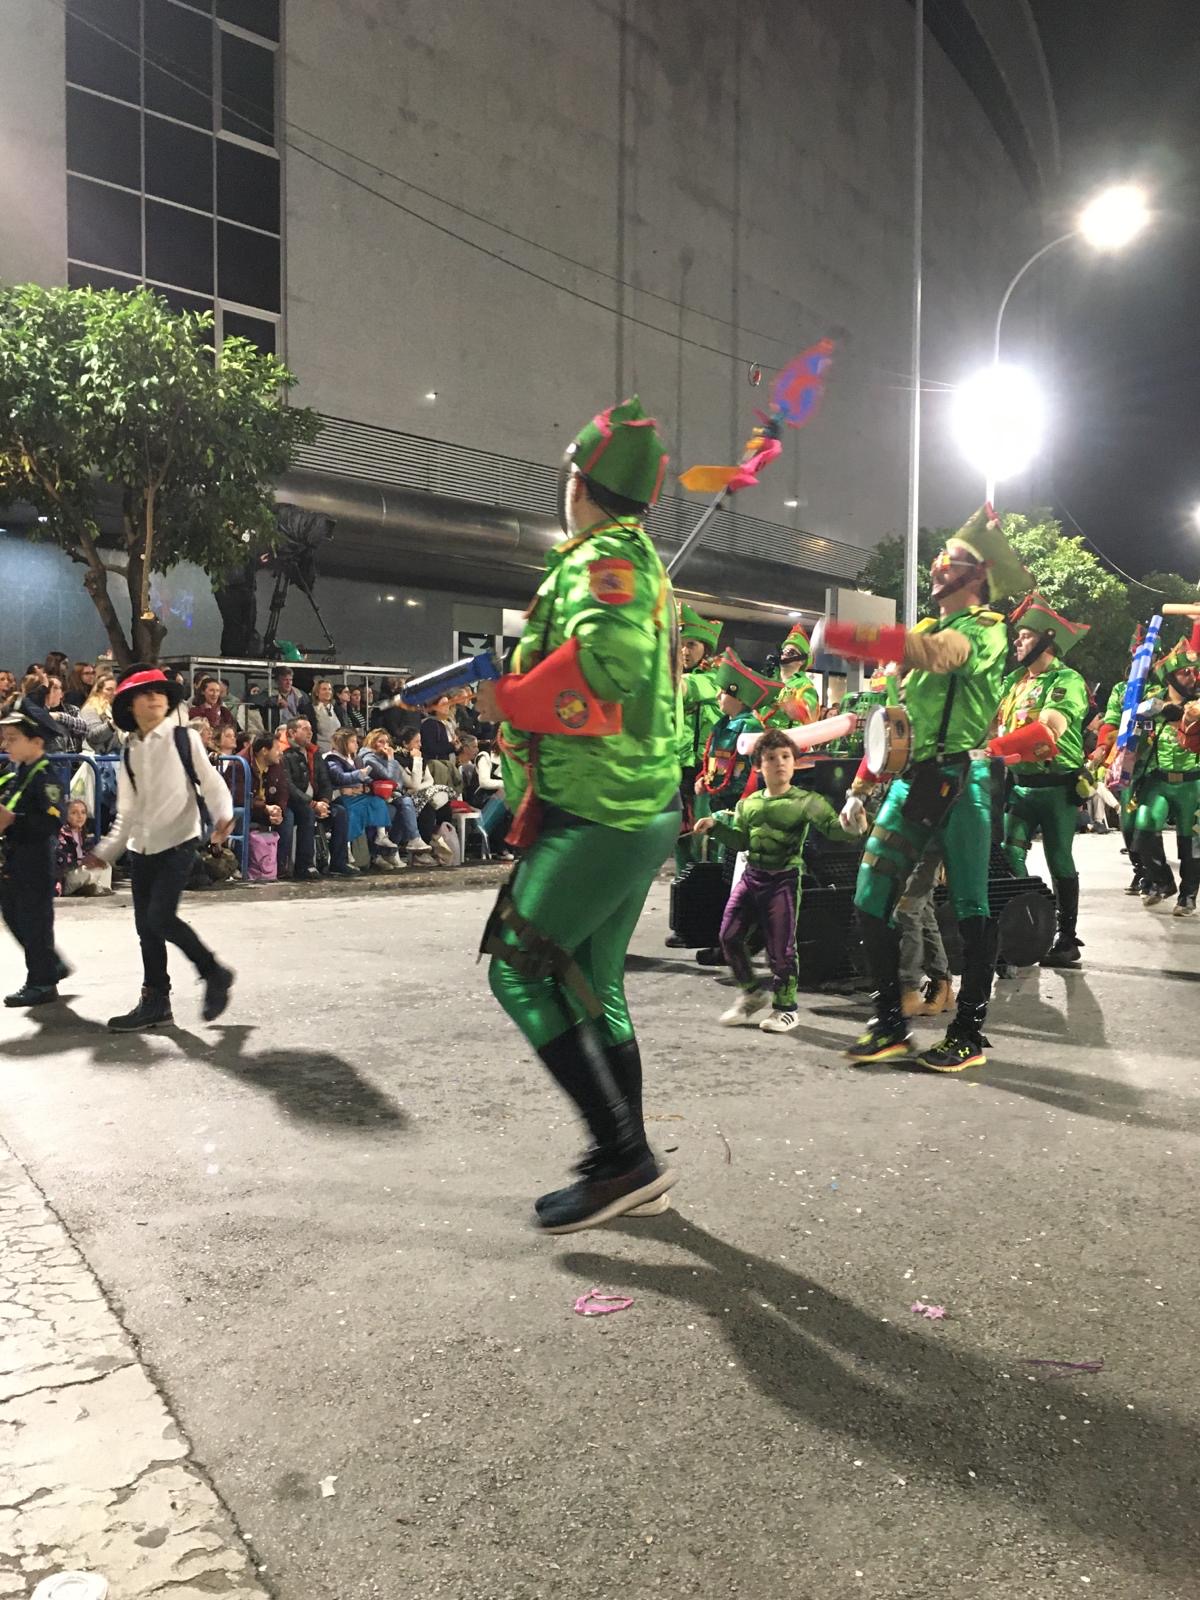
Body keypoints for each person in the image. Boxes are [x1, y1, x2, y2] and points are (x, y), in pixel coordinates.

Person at [474, 395, 680, 1233]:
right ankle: (625, 1161)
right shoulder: (622, 558)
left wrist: (510, 697)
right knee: (594, 989)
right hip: (627, 806)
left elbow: (612, 666)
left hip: (602, 811)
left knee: (517, 968)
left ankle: (622, 1157)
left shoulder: (608, 564)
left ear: (580, 480)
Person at [831, 506, 1030, 1073]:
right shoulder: (924, 630)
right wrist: (861, 785)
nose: (940, 565)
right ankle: (890, 1023)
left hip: (961, 779)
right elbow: (895, 717)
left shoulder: (985, 630)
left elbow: (944, 658)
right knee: (870, 894)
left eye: (955, 560)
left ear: (978, 579)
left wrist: (861, 635)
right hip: (912, 780)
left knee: (971, 905)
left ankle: (967, 1033)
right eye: (943, 557)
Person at [87, 665, 236, 1031]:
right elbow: (127, 811)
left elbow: (211, 782)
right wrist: (105, 852)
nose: (154, 697)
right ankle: (156, 1002)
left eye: (160, 692)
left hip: (179, 842)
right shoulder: (129, 752)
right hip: (142, 848)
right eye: (144, 692)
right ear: (129, 705)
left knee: (160, 917)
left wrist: (223, 817)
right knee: (146, 928)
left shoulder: (185, 738)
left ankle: (213, 971)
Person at [694, 728, 857, 1034]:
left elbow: (836, 831)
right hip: (752, 876)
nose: (780, 763)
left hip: (783, 879)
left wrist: (854, 824)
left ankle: (786, 1009)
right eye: (771, 758)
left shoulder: (808, 801)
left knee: (781, 949)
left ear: (795, 762)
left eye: (785, 756)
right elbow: (741, 841)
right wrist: (715, 827)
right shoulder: (749, 804)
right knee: (728, 936)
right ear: (759, 765)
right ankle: (753, 993)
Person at [997, 594, 1093, 966]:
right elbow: (990, 721)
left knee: (1059, 860)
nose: (1016, 642)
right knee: (1009, 855)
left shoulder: (1066, 680)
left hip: (1057, 787)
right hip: (1019, 786)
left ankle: (1066, 938)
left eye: (1023, 635)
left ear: (1045, 639)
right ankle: (1032, 922)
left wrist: (994, 747)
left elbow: (1049, 727)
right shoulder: (1014, 681)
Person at [0, 699, 71, 1005]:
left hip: (35, 858)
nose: (6, 744)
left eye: (13, 739)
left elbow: (53, 820)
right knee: (14, 914)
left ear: (37, 741)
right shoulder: (13, 772)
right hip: (13, 859)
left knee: (34, 920)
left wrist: (14, 819)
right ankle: (51, 964)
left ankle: (42, 982)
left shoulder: (46, 776)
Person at [1126, 625, 1200, 914]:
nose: (1193, 678)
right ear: (1170, 676)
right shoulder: (1153, 701)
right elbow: (1138, 727)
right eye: (1185, 673)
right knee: (1142, 828)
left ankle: (1188, 895)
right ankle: (1161, 881)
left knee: (1192, 843)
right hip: (1157, 779)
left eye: (1195, 673)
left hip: (1193, 782)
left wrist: (1181, 714)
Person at [281, 716, 352, 878]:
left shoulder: (315, 752)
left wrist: (324, 802)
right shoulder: (284, 754)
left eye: (311, 729)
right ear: (292, 732)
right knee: (307, 813)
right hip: (295, 803)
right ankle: (305, 865)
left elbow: (325, 781)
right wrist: (313, 804)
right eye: (305, 729)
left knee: (340, 811)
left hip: (317, 802)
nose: (310, 732)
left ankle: (338, 863)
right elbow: (288, 787)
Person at [325, 726, 404, 872]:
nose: (356, 745)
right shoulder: (332, 759)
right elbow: (339, 777)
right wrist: (358, 776)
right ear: (343, 744)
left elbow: (365, 777)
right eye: (353, 742)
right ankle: (346, 849)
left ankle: (381, 835)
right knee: (352, 812)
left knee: (377, 801)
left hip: (357, 795)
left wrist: (369, 785)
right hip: (341, 797)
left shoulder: (354, 759)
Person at [360, 728, 442, 862]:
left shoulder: (389, 760)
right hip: (376, 797)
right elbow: (391, 777)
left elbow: (400, 783)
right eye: (381, 741)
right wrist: (397, 760)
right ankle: (400, 846)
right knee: (403, 806)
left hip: (392, 795)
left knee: (409, 806)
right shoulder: (370, 759)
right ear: (372, 742)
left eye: (387, 741)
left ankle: (394, 850)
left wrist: (416, 761)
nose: (385, 745)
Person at [764, 623, 820, 729]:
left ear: (802, 660)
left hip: (787, 740)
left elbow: (809, 713)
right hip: (762, 738)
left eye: (791, 652)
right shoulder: (770, 680)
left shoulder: (805, 685)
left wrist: (797, 708)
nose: (785, 655)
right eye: (783, 651)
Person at [57, 797, 113, 897]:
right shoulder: (61, 834)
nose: (80, 816)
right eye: (74, 813)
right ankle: (90, 888)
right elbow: (62, 861)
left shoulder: (82, 834)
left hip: (78, 871)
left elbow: (86, 854)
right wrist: (82, 862)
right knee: (86, 872)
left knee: (106, 866)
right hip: (65, 878)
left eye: (83, 812)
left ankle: (102, 889)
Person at [29, 676, 89, 754]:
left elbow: (85, 728)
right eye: (48, 688)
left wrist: (60, 717)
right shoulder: (36, 709)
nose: (51, 691)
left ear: (62, 694)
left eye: (55, 688)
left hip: (72, 757)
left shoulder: (72, 710)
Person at [80, 672, 121, 754]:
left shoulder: (113, 709)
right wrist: (113, 723)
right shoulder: (90, 708)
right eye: (109, 689)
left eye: (116, 689)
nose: (114, 693)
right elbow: (94, 736)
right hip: (96, 758)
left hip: (114, 756)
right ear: (98, 691)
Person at [310, 680, 342, 753]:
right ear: (317, 693)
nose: (328, 692)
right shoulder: (310, 709)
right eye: (324, 689)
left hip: (337, 751)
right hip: (319, 751)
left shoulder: (337, 709)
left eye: (329, 689)